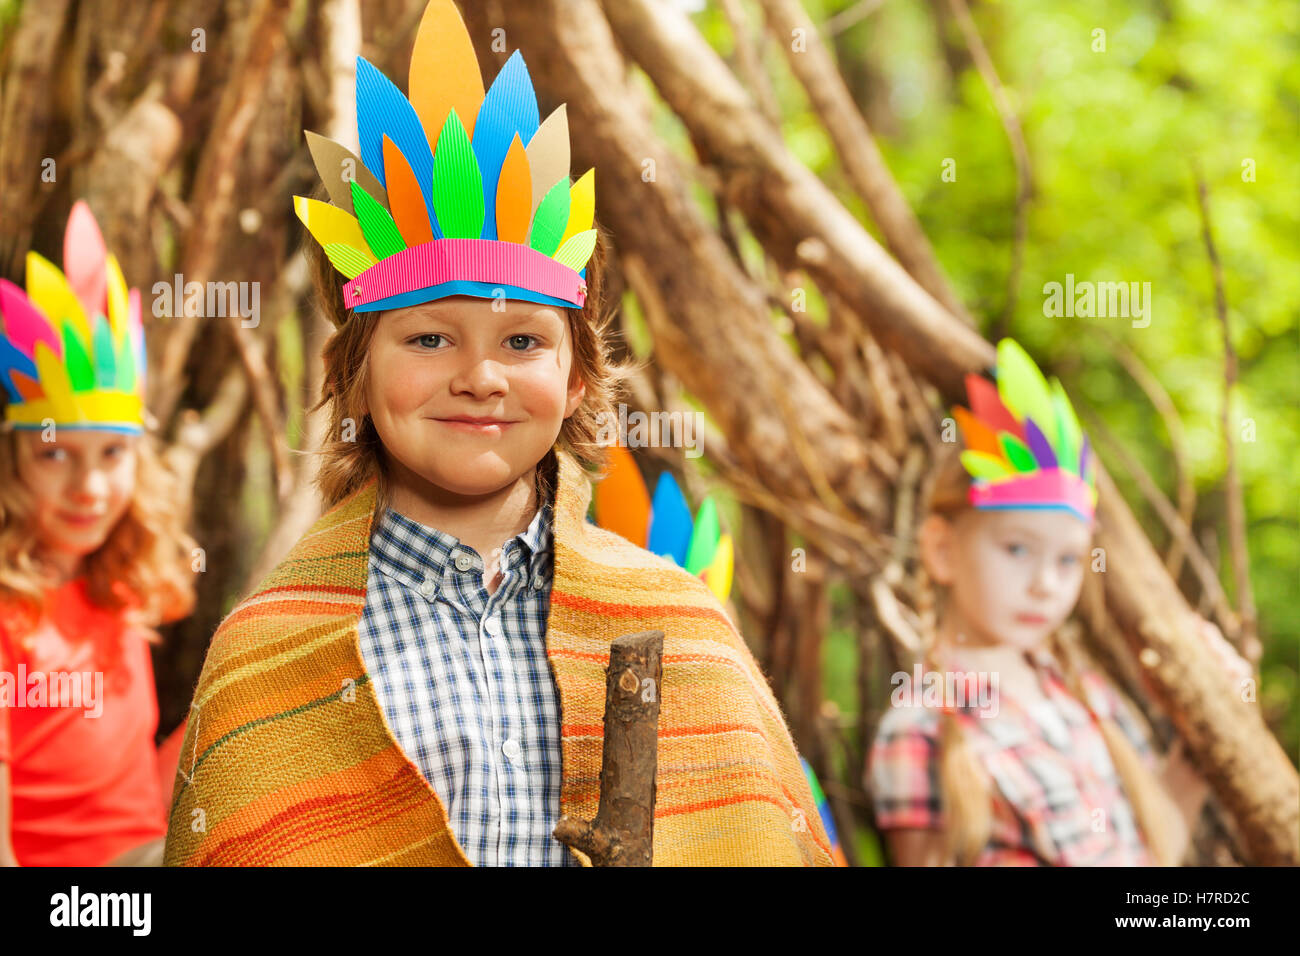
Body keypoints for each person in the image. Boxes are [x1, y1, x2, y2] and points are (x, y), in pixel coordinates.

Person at [163, 0, 832, 866]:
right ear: (355, 375)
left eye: (522, 341)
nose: (481, 375)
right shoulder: (267, 653)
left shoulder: (680, 622)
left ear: (576, 378)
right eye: (430, 338)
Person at [868, 338, 1251, 866]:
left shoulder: (1085, 694)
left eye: (1069, 560)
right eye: (1018, 549)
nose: (1046, 583)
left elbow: (1149, 854)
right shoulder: (921, 727)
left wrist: (1212, 715)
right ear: (942, 549)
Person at [0, 201, 196, 866]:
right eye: (56, 454)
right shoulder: (7, 618)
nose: (89, 487)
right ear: (12, 464)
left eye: (112, 454)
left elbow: (152, 792)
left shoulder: (120, 587)